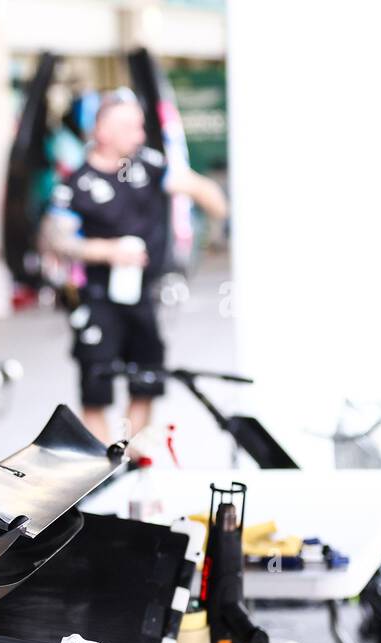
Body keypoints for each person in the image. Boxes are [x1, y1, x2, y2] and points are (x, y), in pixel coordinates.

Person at [44, 89, 228, 443]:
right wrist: (107, 250)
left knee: (147, 380)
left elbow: (196, 190)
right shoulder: (76, 185)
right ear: (102, 130)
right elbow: (56, 239)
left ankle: (132, 457)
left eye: (140, 126)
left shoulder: (149, 166)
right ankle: (103, 465)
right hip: (96, 299)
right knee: (96, 387)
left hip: (142, 297)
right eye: (129, 126)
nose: (139, 135)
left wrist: (214, 202)